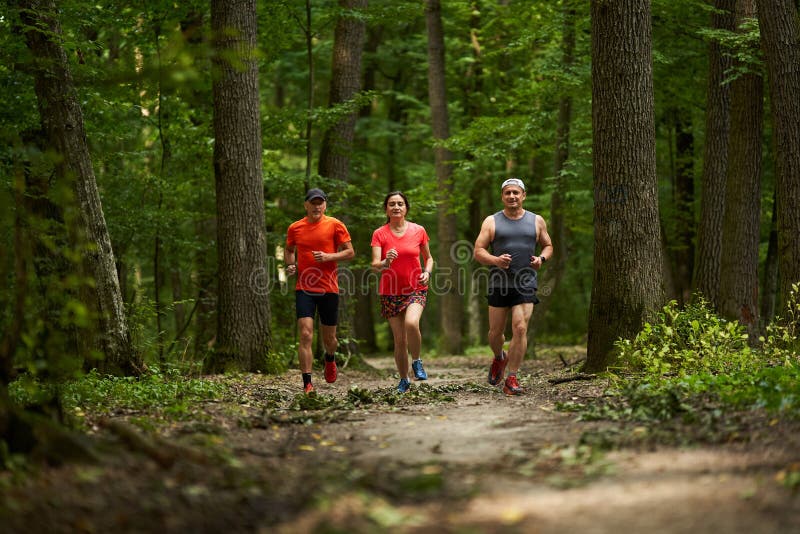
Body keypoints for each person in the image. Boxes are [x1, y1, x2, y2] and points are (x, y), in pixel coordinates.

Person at [473, 178, 553, 396]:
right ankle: (499, 357)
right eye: (507, 193)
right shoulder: (492, 221)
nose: (512, 196)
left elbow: (548, 245)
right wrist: (496, 260)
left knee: (520, 328)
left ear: (523, 195)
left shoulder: (536, 220)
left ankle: (512, 378)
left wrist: (541, 260)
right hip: (499, 282)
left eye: (516, 192)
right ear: (502, 196)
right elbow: (478, 251)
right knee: (495, 332)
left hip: (525, 282)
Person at [285, 188, 355, 394]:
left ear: (325, 205)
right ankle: (307, 383)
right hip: (304, 287)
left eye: (320, 202)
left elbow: (350, 252)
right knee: (305, 333)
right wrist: (290, 264)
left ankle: (330, 358)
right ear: (306, 205)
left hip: (328, 288)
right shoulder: (295, 228)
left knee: (329, 340)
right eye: (313, 203)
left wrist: (328, 257)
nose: (317, 206)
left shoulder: (335, 225)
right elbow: (289, 250)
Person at [371, 191, 434, 393]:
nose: (396, 207)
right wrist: (386, 261)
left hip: (415, 286)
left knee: (411, 323)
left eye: (400, 204)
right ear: (386, 209)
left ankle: (416, 361)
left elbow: (429, 258)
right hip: (389, 291)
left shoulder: (418, 230)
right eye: (392, 204)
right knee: (399, 340)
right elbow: (375, 265)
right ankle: (404, 379)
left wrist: (427, 272)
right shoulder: (379, 233)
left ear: (406, 208)